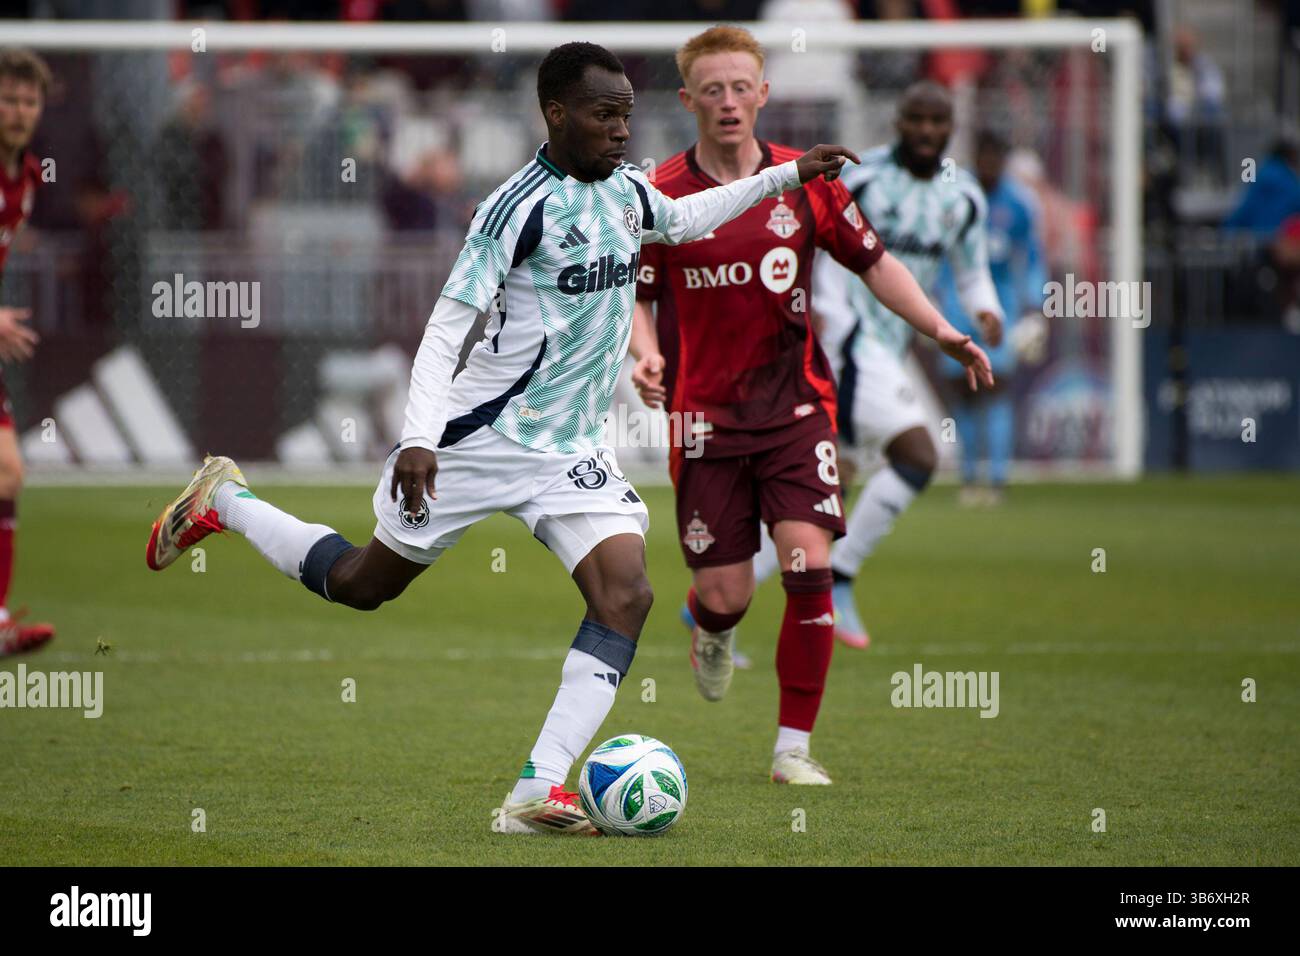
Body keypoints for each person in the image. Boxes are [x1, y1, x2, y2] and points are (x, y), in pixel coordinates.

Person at [146, 42, 858, 834]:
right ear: (557, 114)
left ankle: (535, 790)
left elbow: (687, 217)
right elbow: (448, 326)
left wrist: (789, 175)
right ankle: (228, 500)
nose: (622, 130)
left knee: (627, 593)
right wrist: (420, 437)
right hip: (478, 440)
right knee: (361, 584)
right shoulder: (514, 208)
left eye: (626, 113)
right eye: (603, 114)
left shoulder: (628, 192)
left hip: (572, 453)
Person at [630, 33, 994, 785]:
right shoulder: (659, 193)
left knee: (809, 563)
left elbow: (875, 263)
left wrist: (943, 329)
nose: (728, 102)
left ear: (762, 94)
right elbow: (635, 297)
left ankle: (792, 749)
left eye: (741, 87)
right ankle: (713, 628)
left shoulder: (806, 181)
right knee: (725, 594)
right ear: (688, 100)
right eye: (712, 89)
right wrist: (645, 353)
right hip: (702, 422)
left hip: (796, 411)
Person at [752, 81, 1003, 649]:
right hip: (845, 340)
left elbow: (969, 269)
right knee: (917, 454)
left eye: (937, 122)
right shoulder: (860, 176)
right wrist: (827, 317)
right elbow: (816, 245)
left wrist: (985, 307)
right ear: (899, 120)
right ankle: (838, 578)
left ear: (950, 128)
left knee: (830, 482)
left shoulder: (962, 197)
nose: (925, 131)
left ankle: (724, 596)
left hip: (887, 349)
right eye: (915, 118)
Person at [936, 130, 1047, 505]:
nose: (989, 166)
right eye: (984, 158)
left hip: (1001, 304)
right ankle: (969, 478)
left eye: (995, 159)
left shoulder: (1019, 203)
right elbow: (937, 249)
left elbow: (1031, 256)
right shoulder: (955, 194)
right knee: (963, 389)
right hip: (955, 302)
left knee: (996, 387)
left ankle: (997, 479)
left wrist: (1033, 303)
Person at [0, 47, 55, 658]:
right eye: (9, 98)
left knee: (9, 473)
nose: (18, 111)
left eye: (28, 101)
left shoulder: (29, 178)